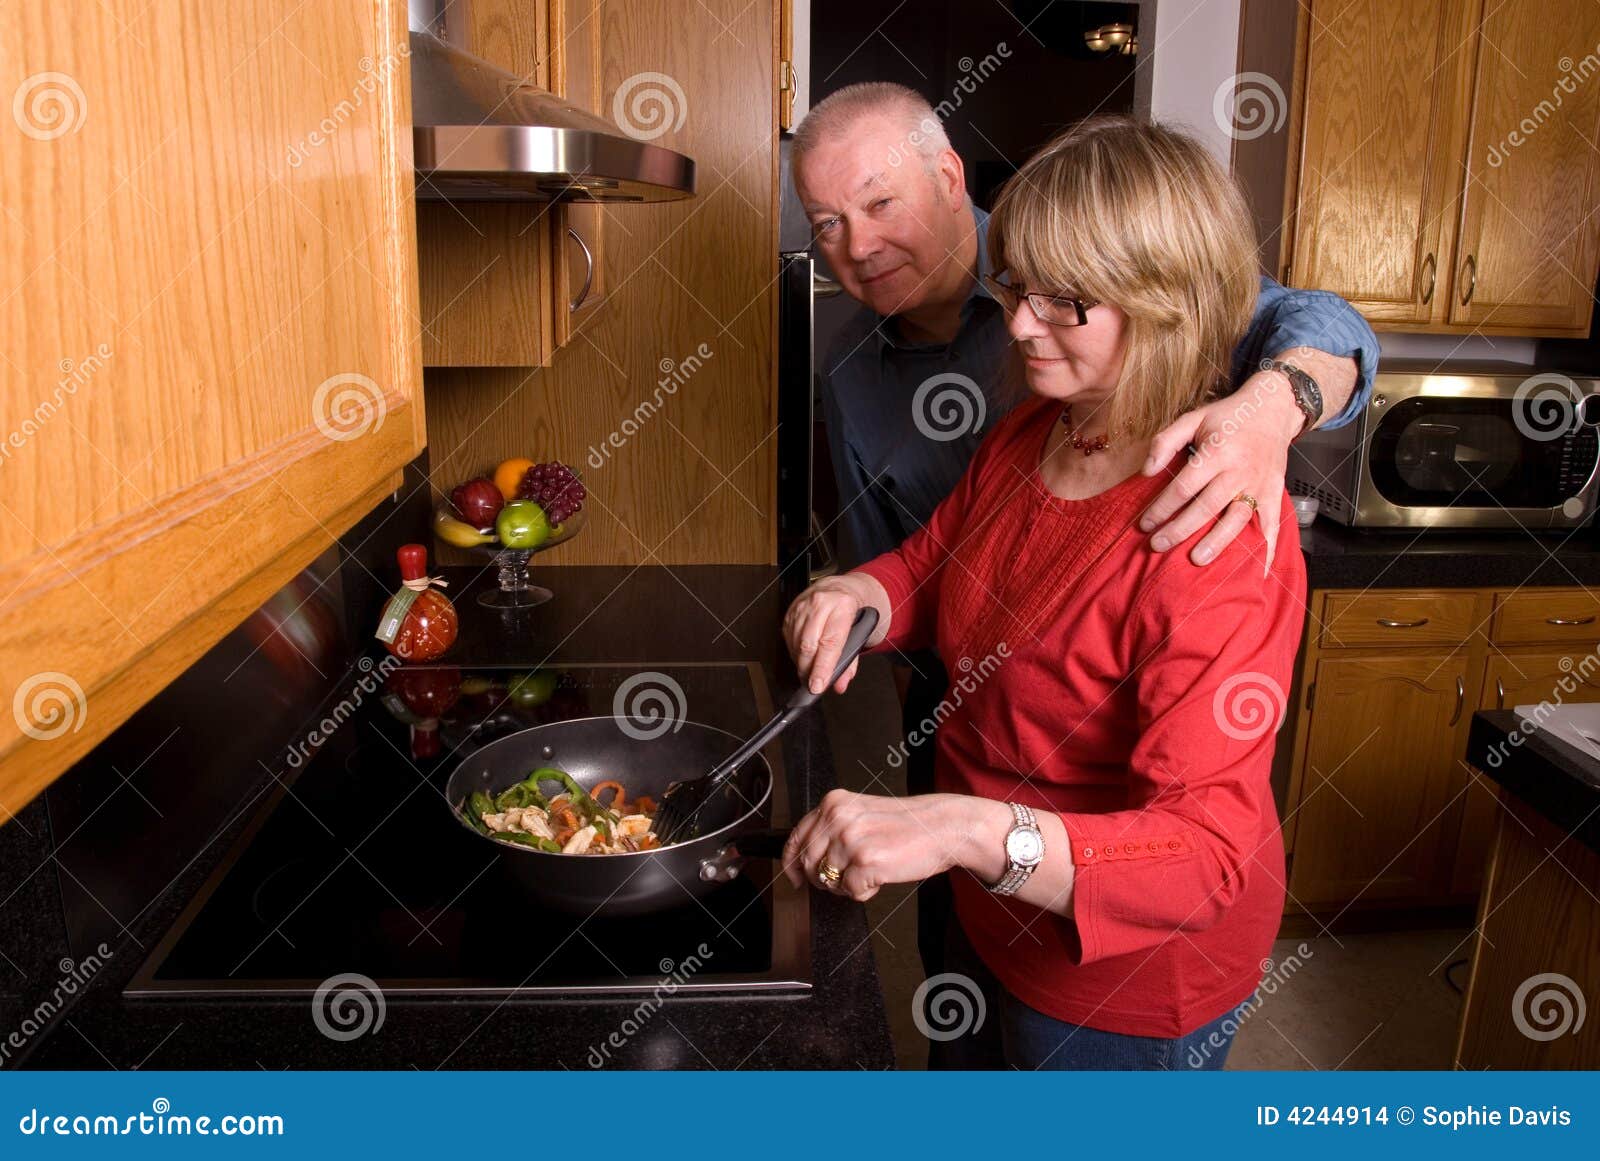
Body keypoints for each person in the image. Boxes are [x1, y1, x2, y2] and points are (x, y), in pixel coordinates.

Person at [790, 82, 1375, 979]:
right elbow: (934, 560)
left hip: (1118, 980)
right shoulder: (1033, 425)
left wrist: (965, 825)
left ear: (1165, 299)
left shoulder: (1213, 516)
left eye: (1064, 299)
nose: (1020, 324)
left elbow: (1201, 859)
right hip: (989, 889)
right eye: (1016, 286)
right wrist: (866, 588)